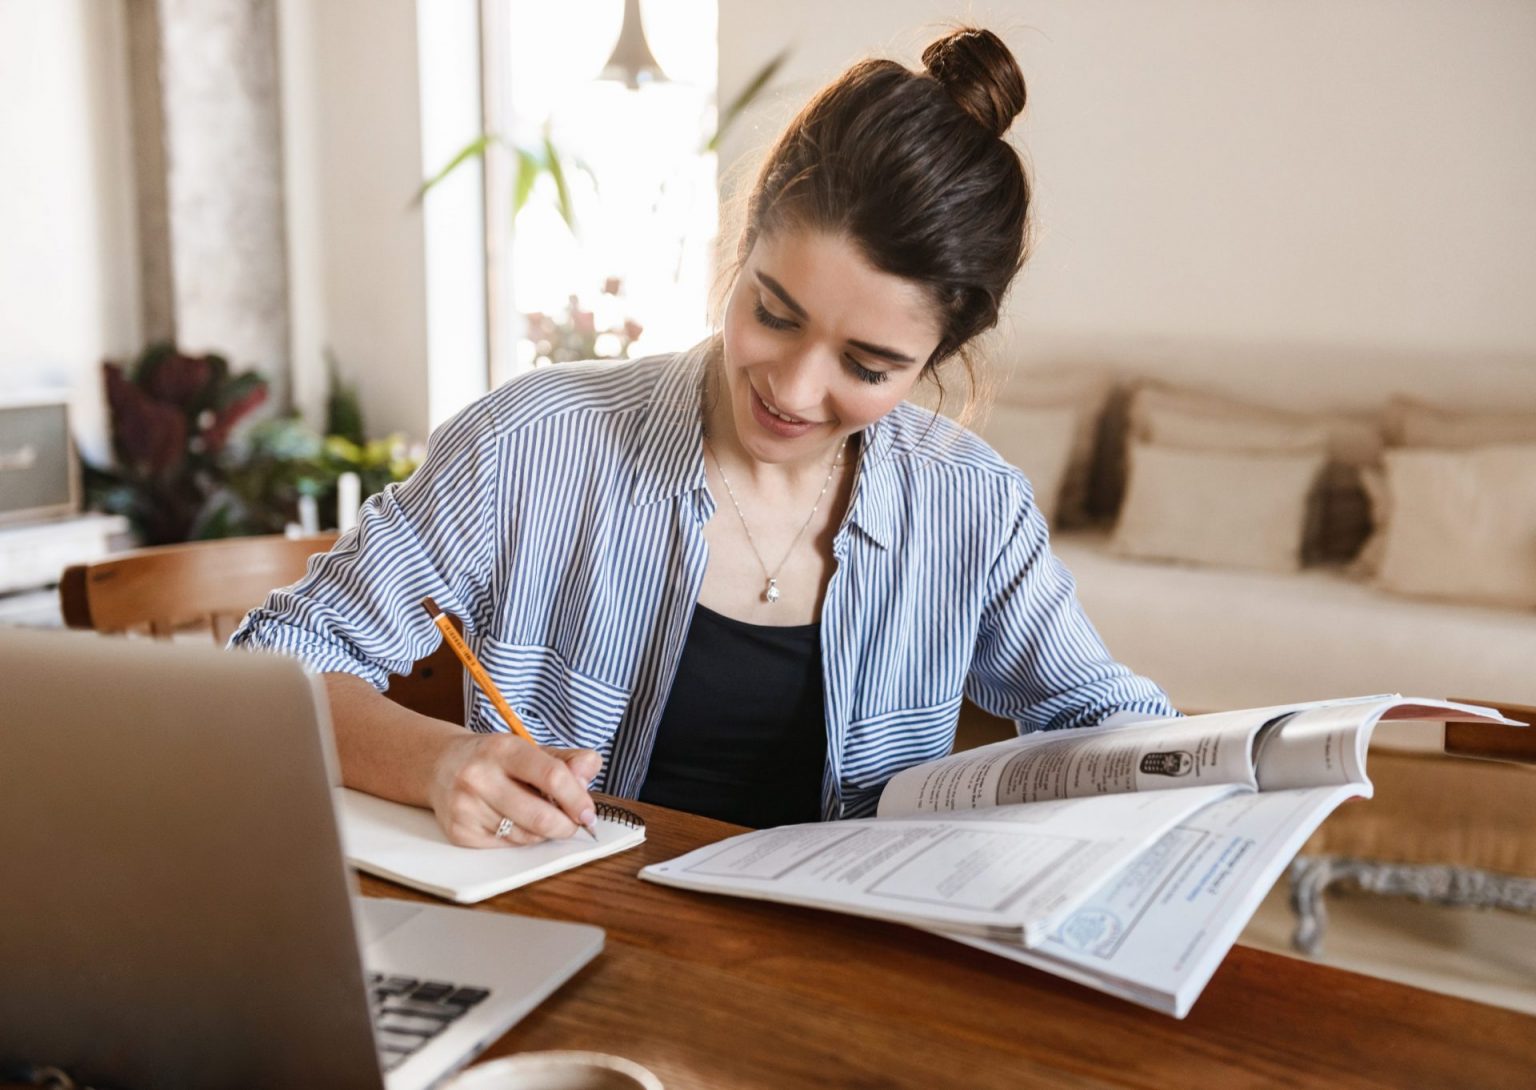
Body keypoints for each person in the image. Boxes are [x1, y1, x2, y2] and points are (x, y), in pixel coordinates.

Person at [231, 27, 1174, 845]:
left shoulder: (972, 505)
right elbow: (273, 670)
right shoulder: (535, 444)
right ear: (743, 240)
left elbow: (1104, 716)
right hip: (580, 941)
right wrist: (443, 763)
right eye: (773, 312)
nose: (795, 389)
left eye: (868, 367)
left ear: (939, 356)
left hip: (836, 986)